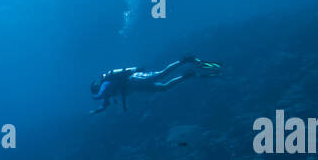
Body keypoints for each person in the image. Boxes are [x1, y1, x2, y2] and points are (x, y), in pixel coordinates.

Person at [90, 54, 221, 113]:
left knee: (161, 74)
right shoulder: (107, 91)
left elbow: (101, 95)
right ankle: (186, 76)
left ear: (96, 87)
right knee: (164, 87)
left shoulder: (104, 85)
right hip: (136, 86)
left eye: (95, 89)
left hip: (135, 79)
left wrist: (95, 97)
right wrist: (96, 111)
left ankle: (184, 60)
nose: (98, 90)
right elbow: (106, 104)